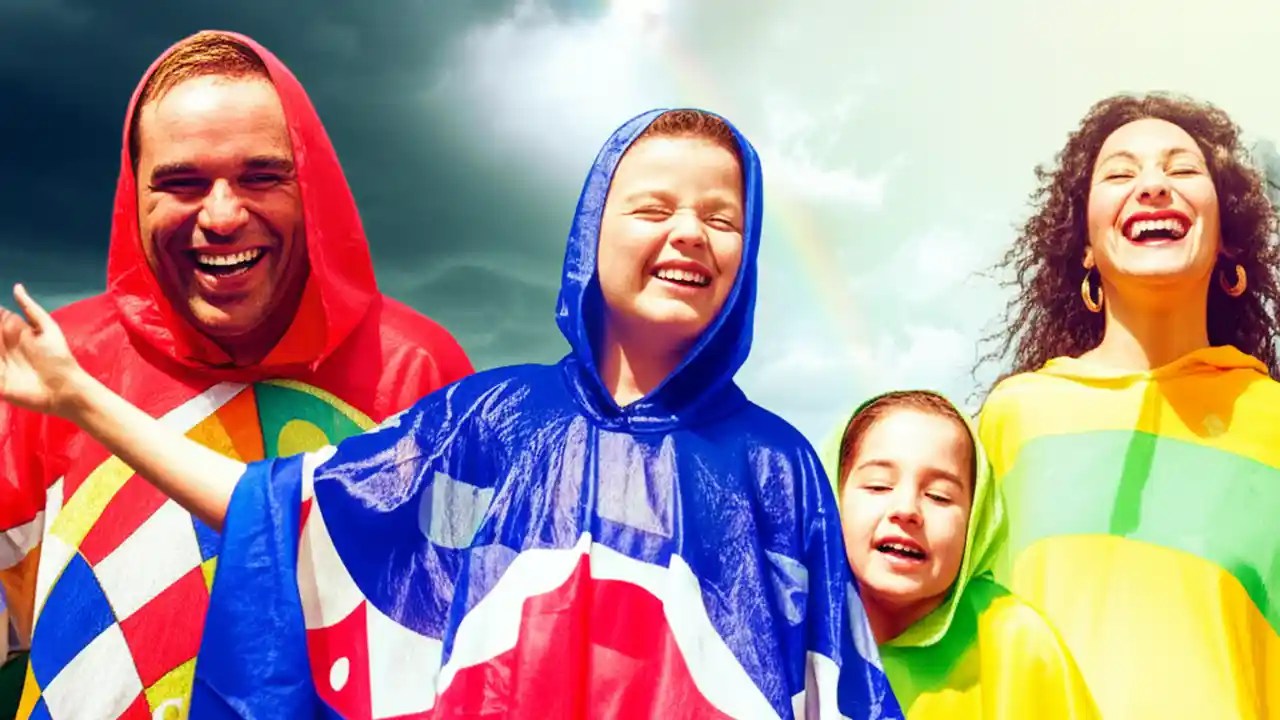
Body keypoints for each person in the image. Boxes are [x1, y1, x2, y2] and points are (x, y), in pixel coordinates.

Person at [0, 107, 902, 719]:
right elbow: (277, 515)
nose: (689, 233)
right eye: (652, 208)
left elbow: (841, 683)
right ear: (592, 229)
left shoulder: (777, 468)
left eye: (723, 217)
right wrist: (80, 399)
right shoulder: (492, 422)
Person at [0, 31, 473, 720]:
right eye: (182, 182)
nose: (222, 216)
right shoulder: (52, 366)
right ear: (134, 193)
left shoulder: (419, 369)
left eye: (261, 176)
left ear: (310, 184)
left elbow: (468, 628)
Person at [977, 93, 1280, 718]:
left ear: (1228, 238)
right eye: (1120, 174)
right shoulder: (1013, 422)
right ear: (1084, 247)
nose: (1153, 186)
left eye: (1182, 169)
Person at [823, 390, 1098, 718]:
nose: (907, 510)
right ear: (830, 498)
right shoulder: (789, 636)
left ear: (976, 523)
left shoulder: (1017, 645)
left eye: (939, 496)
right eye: (878, 485)